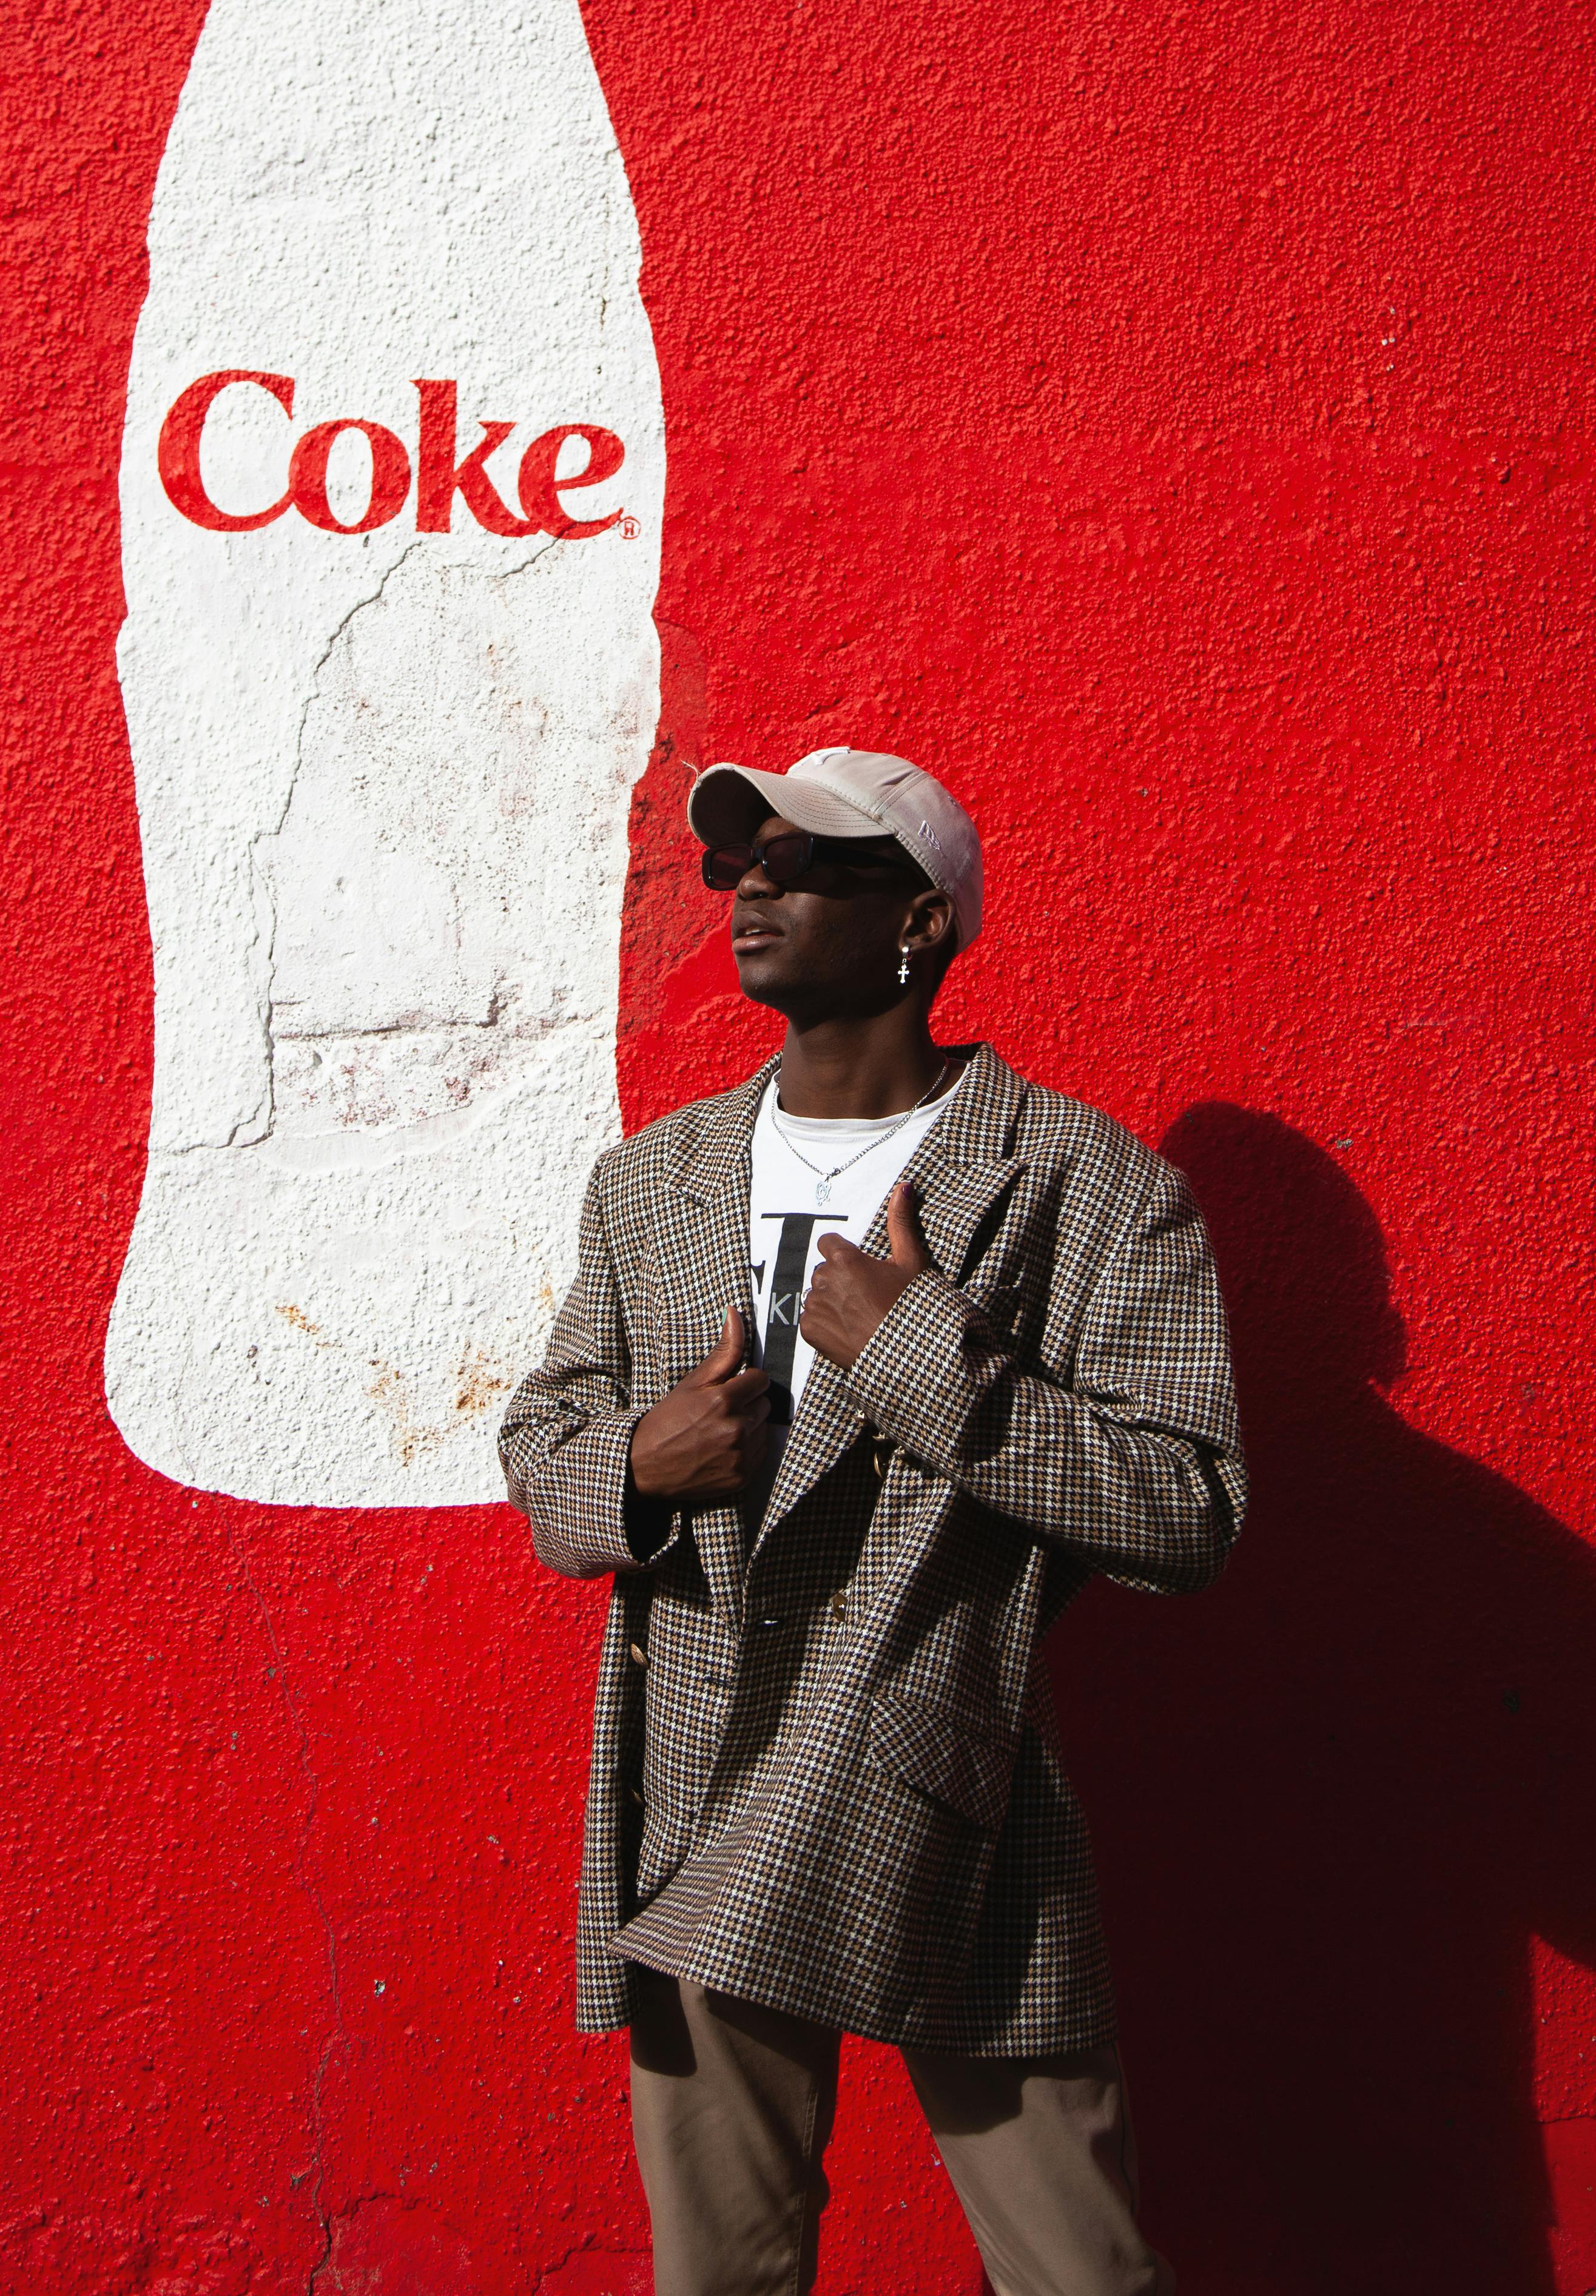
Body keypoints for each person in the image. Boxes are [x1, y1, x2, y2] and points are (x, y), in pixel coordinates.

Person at [499, 746, 1245, 2296]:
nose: (752, 884)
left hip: (947, 1776)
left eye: (803, 861)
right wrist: (642, 1460)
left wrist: (917, 1356)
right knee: (722, 2274)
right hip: (702, 1785)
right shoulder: (653, 1178)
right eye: (736, 862)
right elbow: (542, 1442)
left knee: (1081, 2272)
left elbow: (1191, 1504)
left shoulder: (1081, 1180)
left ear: (919, 921)